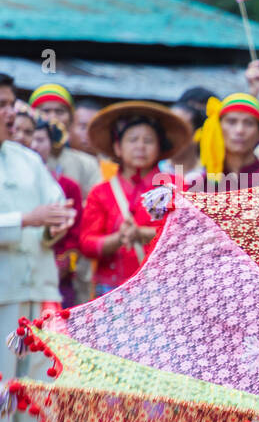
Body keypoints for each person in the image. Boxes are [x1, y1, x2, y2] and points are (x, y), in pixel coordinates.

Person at [0, 73, 76, 422]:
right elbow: (32, 215)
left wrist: (55, 224)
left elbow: (56, 212)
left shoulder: (28, 159)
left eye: (10, 103)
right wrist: (25, 219)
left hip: (39, 290)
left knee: (35, 391)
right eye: (2, 104)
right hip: (3, 292)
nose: (10, 112)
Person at [80, 101, 189, 298]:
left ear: (159, 147)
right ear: (118, 147)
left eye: (148, 141)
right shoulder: (101, 192)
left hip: (163, 289)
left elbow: (187, 235)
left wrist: (142, 233)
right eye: (132, 140)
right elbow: (87, 243)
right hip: (111, 292)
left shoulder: (176, 187)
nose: (140, 146)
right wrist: (118, 239)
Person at [28, 118, 85, 310]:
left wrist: (64, 263)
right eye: (28, 136)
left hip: (58, 275)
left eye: (40, 139)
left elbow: (75, 232)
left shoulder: (68, 186)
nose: (34, 145)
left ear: (52, 144)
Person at [196, 93, 259, 192]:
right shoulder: (201, 186)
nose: (240, 130)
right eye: (231, 122)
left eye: (248, 123)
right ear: (218, 128)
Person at [29, 83, 102, 199]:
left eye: (60, 112)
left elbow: (97, 203)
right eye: (46, 111)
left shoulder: (88, 164)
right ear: (31, 116)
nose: (53, 117)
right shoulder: (21, 157)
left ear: (70, 119)